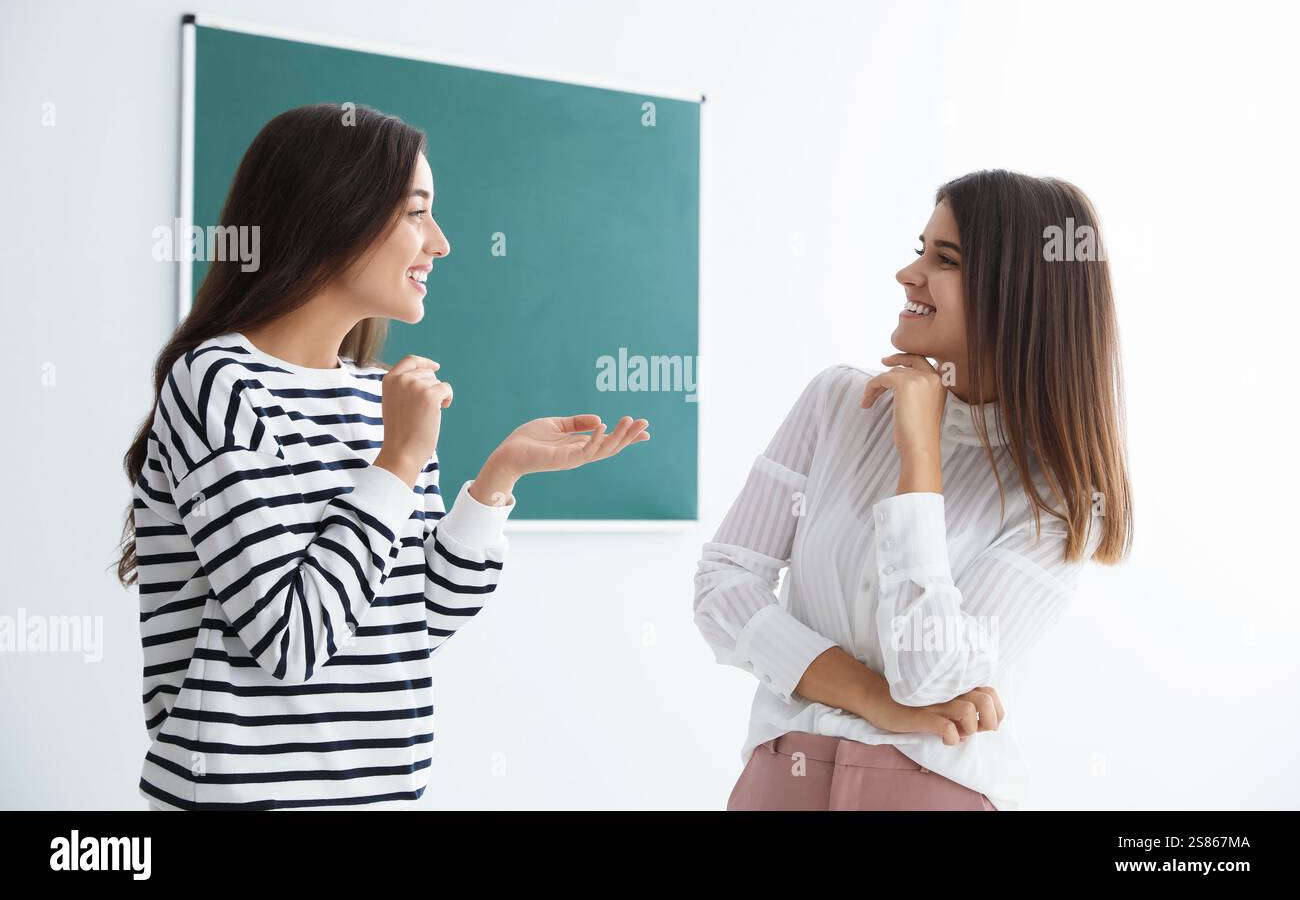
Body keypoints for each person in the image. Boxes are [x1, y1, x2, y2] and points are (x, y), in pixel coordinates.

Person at [117, 103, 649, 809]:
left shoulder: (382, 396)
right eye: (416, 213)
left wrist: (496, 481)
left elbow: (416, 620)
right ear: (333, 216)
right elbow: (291, 642)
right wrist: (397, 462)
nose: (442, 243)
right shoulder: (218, 381)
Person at [694, 169, 1131, 810]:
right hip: (780, 779)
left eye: (945, 259)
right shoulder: (838, 403)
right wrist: (869, 696)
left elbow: (929, 674)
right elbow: (722, 590)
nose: (909, 272)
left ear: (1018, 293)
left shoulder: (1059, 501)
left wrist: (919, 457)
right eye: (920, 248)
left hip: (931, 791)